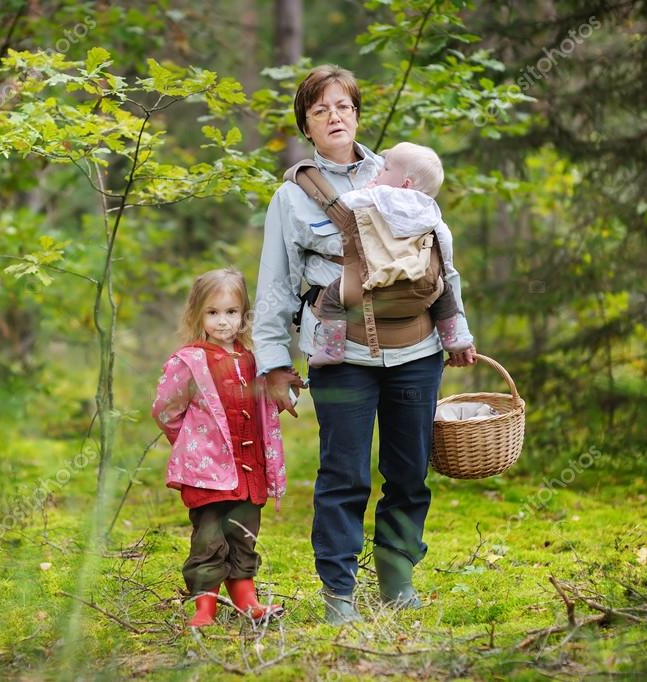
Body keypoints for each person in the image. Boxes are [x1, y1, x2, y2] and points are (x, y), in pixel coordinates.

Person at [252, 65, 477, 625]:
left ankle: (398, 575)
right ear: (306, 123)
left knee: (407, 471)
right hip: (340, 355)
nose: (335, 116)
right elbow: (275, 284)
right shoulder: (291, 197)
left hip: (416, 352)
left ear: (357, 115)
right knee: (344, 473)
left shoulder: (402, 173)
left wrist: (457, 333)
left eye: (344, 107)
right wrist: (275, 365)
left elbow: (442, 259)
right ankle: (340, 592)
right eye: (321, 109)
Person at [152, 268, 288, 627]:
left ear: (244, 314)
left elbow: (264, 406)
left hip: (248, 467)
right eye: (213, 313)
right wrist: (192, 444)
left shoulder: (254, 360)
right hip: (207, 472)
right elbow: (166, 410)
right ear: (198, 313)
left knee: (243, 535)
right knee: (210, 539)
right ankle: (204, 610)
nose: (223, 321)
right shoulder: (189, 362)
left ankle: (249, 603)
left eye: (231, 312)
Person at [309, 141, 474, 367]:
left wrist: (366, 191)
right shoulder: (429, 209)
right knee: (443, 292)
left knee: (332, 295)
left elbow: (345, 205)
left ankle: (332, 348)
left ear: (405, 183)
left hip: (378, 272)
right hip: (416, 274)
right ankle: (452, 338)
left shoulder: (382, 195)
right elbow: (444, 239)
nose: (379, 171)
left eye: (386, 168)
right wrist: (443, 265)